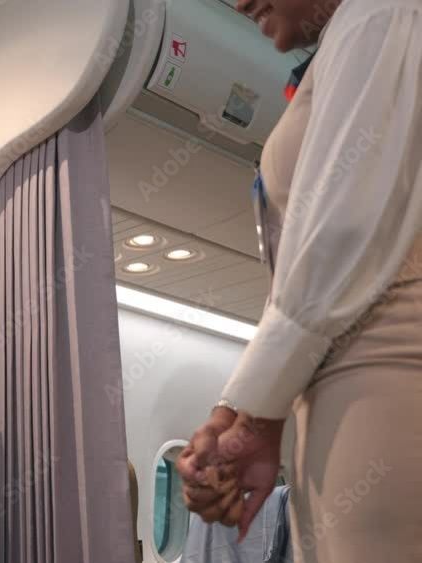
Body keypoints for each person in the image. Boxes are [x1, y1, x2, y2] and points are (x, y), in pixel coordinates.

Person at [177, 1, 422, 562]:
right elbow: (304, 270)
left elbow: (342, 234)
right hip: (345, 398)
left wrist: (254, 414)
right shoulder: (349, 38)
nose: (238, 2)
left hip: (385, 382)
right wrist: (237, 415)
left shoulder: (382, 13)